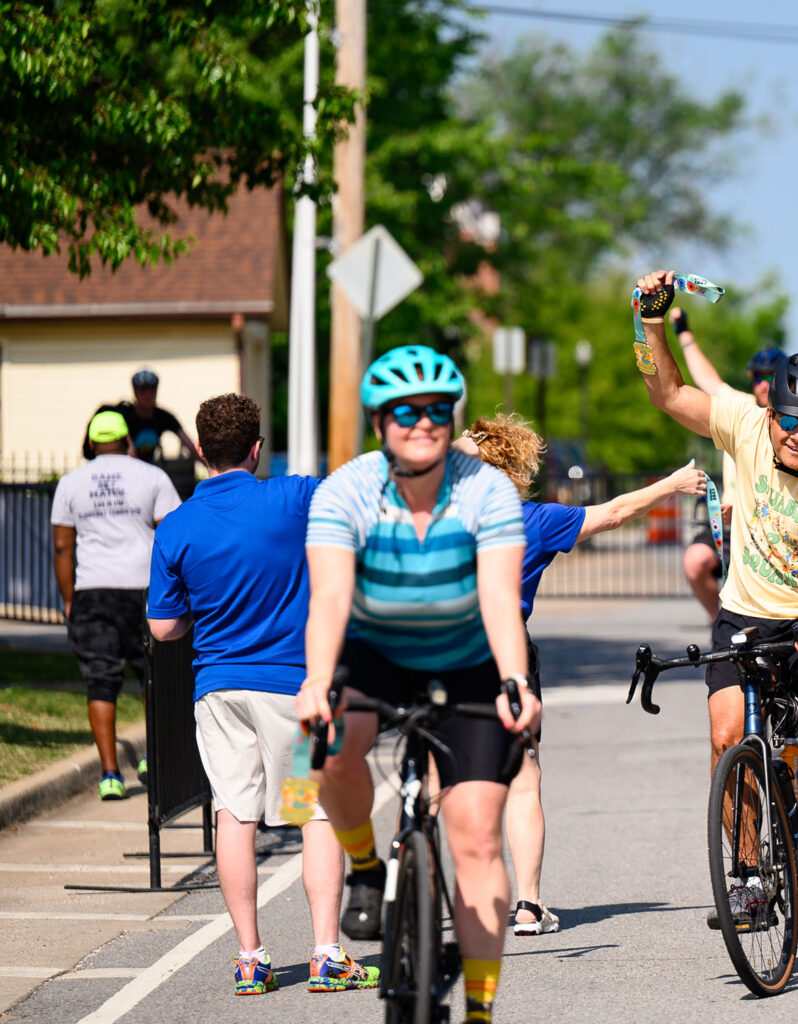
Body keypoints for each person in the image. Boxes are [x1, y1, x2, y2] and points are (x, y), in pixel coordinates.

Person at [296, 345, 540, 1024]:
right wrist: (317, 680)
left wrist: (516, 678)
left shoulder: (485, 490)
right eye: (407, 411)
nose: (424, 422)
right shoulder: (344, 490)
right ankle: (368, 868)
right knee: (329, 745)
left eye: (437, 410)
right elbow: (331, 598)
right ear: (382, 422)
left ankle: (481, 1011)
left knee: (477, 837)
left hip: (467, 662)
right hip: (373, 654)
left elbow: (497, 596)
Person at [634, 269, 798, 929]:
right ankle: (746, 880)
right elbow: (670, 393)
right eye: (789, 420)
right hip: (745, 611)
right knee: (725, 739)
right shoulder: (744, 421)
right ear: (771, 411)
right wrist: (652, 323)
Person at [145, 393, 376, 997]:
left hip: (218, 695)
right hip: (290, 697)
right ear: (255, 448)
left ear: (199, 451)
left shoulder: (176, 527)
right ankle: (326, 954)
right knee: (313, 812)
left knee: (235, 814)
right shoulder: (293, 497)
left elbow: (163, 628)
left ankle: (250, 957)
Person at [452, 412, 707, 936]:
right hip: (505, 654)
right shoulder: (532, 520)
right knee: (522, 778)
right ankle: (527, 906)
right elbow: (614, 513)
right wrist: (675, 483)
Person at [51, 410, 180, 800]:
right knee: (153, 677)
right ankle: (152, 757)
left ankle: (110, 774)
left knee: (100, 682)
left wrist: (70, 600)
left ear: (90, 444)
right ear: (127, 441)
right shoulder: (152, 476)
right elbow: (171, 535)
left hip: (93, 590)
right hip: (143, 589)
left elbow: (62, 547)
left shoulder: (71, 483)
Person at [668, 306, 787, 620]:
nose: (764, 384)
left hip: (772, 520)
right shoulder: (741, 408)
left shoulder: (793, 422)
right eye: (758, 377)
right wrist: (683, 331)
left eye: (771, 377)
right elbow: (707, 381)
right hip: (730, 518)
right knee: (695, 561)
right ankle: (718, 620)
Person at [82, 367, 200, 464]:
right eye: (142, 390)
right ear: (134, 391)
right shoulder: (124, 415)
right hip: (121, 466)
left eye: (151, 390)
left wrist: (208, 466)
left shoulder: (163, 416)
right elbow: (130, 451)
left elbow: (188, 442)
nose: (147, 395)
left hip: (146, 467)